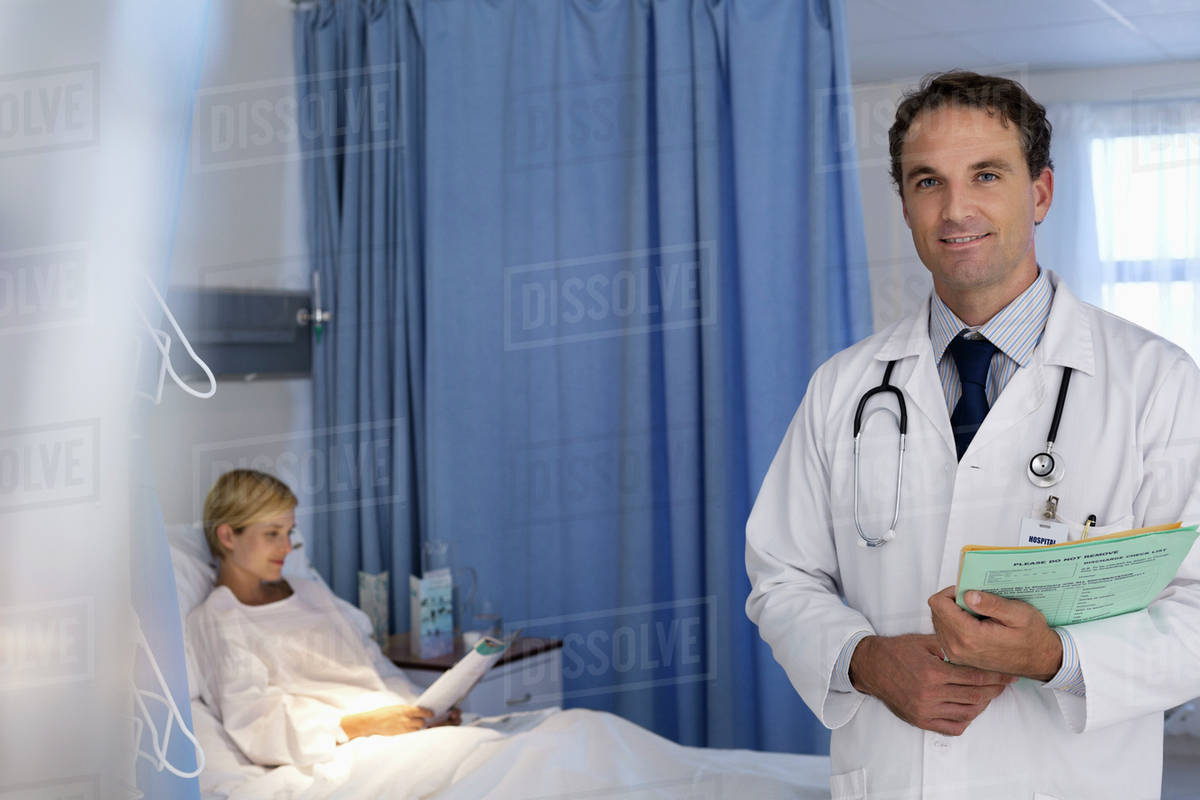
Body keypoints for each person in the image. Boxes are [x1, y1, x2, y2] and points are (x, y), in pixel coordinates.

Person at [745, 71, 1200, 799]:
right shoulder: (845, 387)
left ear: (1041, 193)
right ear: (905, 205)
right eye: (928, 182)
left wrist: (1058, 656)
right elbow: (781, 575)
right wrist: (863, 658)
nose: (956, 209)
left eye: (986, 175)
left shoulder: (1159, 384)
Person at [186, 469, 459, 768]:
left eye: (289, 532)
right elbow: (257, 725)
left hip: (401, 732)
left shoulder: (311, 593)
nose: (287, 547)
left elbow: (376, 667)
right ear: (227, 536)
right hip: (344, 751)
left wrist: (425, 711)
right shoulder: (219, 618)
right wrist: (364, 726)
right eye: (272, 534)